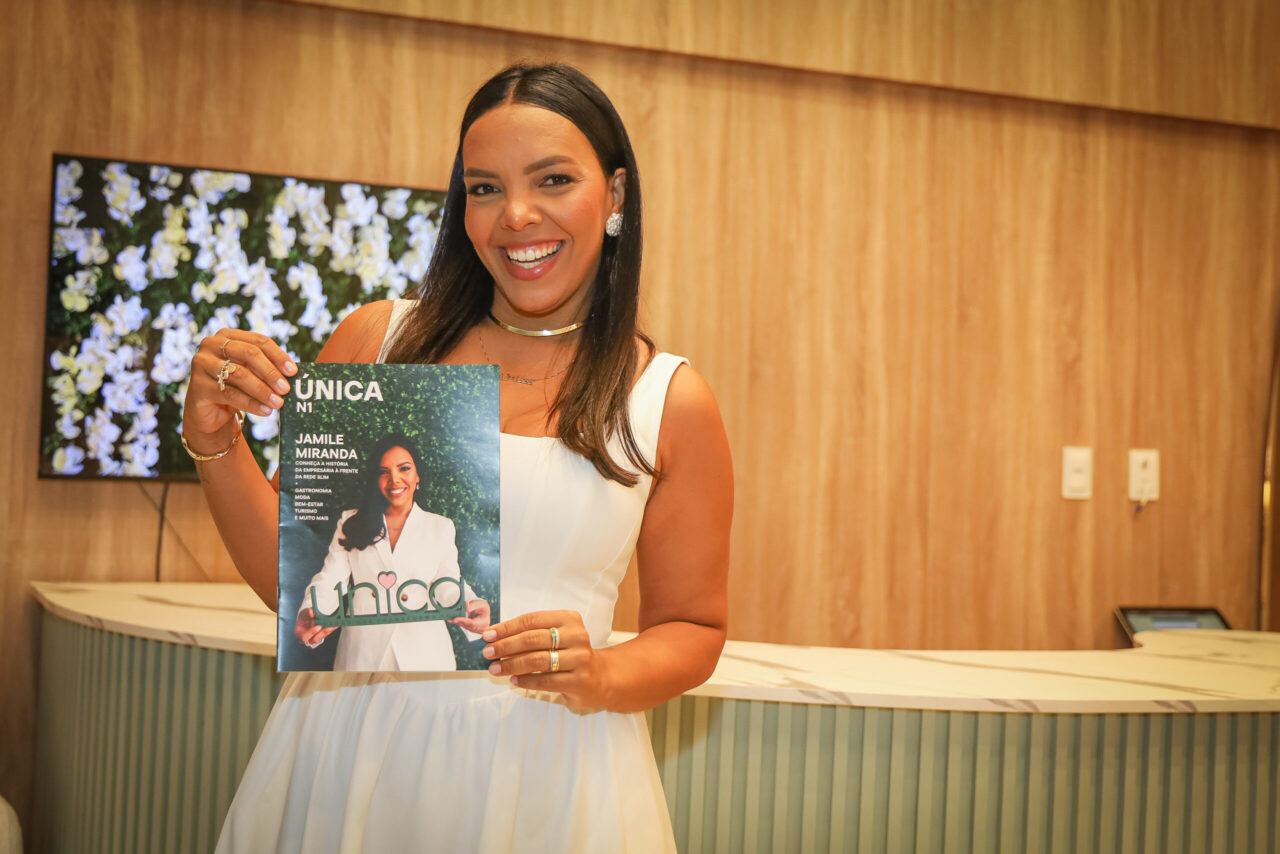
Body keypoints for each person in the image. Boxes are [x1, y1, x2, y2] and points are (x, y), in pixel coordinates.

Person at [183, 62, 733, 852]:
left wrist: (603, 674)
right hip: (349, 748)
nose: (516, 215)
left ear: (613, 196)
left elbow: (694, 627)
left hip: (551, 767)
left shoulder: (665, 398)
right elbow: (293, 580)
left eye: (552, 179)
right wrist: (214, 437)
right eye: (483, 188)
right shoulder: (383, 341)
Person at [292, 433, 491, 671]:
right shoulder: (351, 521)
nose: (394, 479)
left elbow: (446, 583)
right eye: (383, 472)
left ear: (418, 475)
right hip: (362, 653)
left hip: (425, 653)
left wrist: (469, 605)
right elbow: (331, 578)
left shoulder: (440, 526)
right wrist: (311, 613)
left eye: (404, 468)